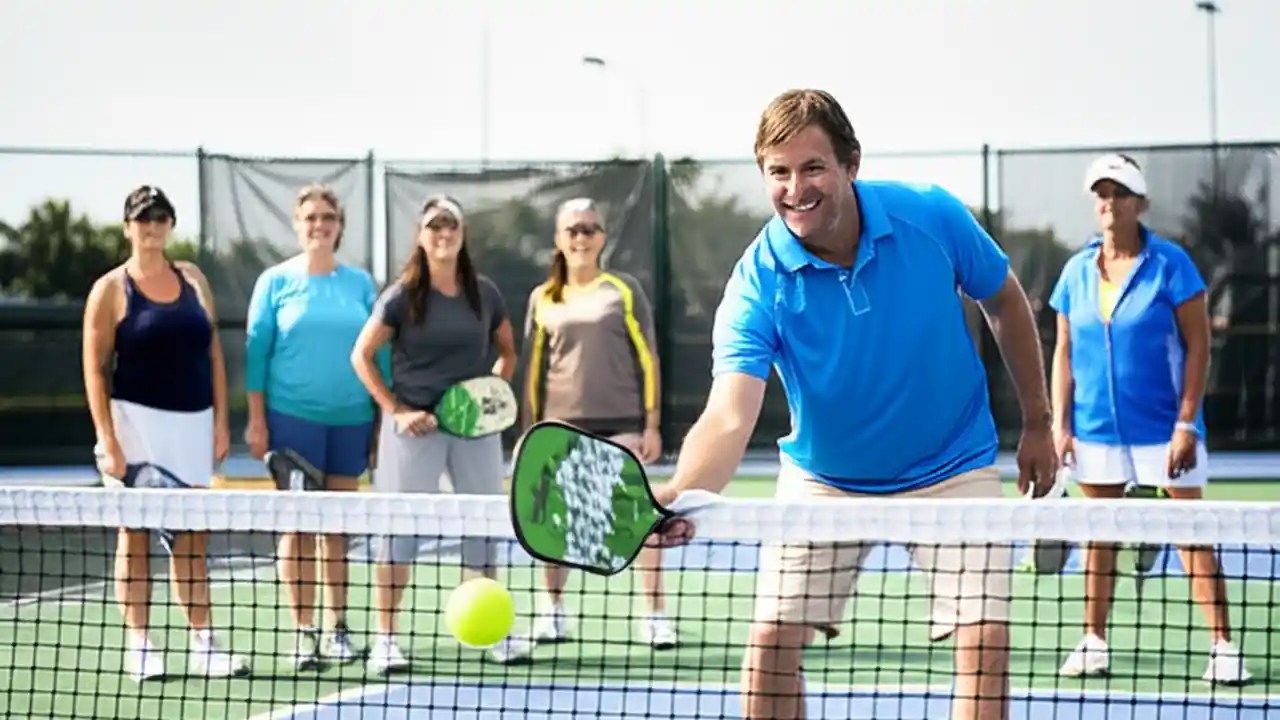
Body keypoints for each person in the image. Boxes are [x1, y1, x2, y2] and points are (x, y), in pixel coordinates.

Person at [647, 89, 1058, 720]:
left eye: (812, 167)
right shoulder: (757, 280)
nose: (794, 188)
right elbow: (730, 413)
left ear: (851, 164)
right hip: (825, 481)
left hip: (954, 465)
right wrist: (684, 490)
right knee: (769, 645)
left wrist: (1037, 420)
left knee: (985, 642)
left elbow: (1004, 298)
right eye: (777, 173)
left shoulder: (930, 215)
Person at [1049, 153, 1251, 684]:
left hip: (1165, 433)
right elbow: (1063, 352)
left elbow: (1199, 345)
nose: (1108, 203)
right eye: (1101, 194)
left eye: (1119, 193)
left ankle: (1223, 647)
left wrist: (1187, 424)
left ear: (1141, 203)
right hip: (1094, 432)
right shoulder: (1075, 271)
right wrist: (1059, 425)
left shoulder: (1172, 265)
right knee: (1100, 537)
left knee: (1191, 535)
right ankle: (1093, 640)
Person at [350, 195, 533, 672]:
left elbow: (508, 351)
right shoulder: (401, 294)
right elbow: (362, 356)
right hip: (414, 430)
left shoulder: (484, 293)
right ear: (421, 236)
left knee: (483, 529)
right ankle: (385, 639)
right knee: (400, 532)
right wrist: (396, 410)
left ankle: (491, 633)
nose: (443, 234)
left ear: (462, 232)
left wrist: (488, 399)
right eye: (434, 226)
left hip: (475, 432)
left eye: (451, 225)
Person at [81, 185, 250, 682]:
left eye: (160, 217)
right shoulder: (110, 289)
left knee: (192, 538)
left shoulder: (193, 278)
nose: (152, 226)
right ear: (128, 226)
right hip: (135, 426)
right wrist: (108, 439)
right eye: (142, 218)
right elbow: (94, 368)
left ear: (170, 224)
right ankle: (140, 645)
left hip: (194, 425)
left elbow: (213, 353)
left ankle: (205, 643)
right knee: (133, 538)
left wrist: (220, 422)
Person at [521, 197, 677, 649]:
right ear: (558, 240)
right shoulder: (542, 298)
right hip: (559, 429)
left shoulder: (623, 290)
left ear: (602, 238)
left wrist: (651, 423)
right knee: (554, 524)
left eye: (590, 229)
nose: (581, 237)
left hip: (624, 426)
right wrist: (529, 432)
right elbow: (532, 371)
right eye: (572, 230)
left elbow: (648, 359)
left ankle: (655, 616)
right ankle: (552, 613)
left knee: (639, 520)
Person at [244, 184, 384, 670]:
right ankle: (304, 634)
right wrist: (258, 419)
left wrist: (378, 424)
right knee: (298, 527)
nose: (319, 225)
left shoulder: (361, 284)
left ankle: (338, 628)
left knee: (338, 530)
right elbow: (256, 352)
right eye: (310, 217)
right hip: (291, 420)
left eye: (328, 217)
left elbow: (379, 353)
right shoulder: (274, 282)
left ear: (340, 226)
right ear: (297, 224)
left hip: (351, 420)